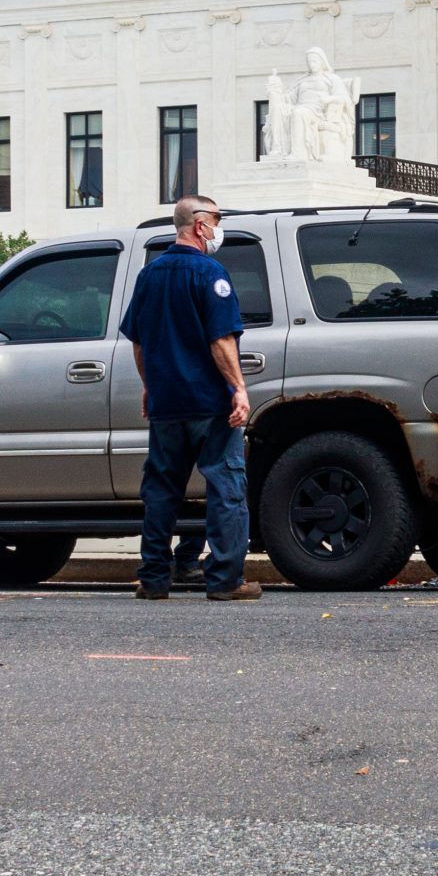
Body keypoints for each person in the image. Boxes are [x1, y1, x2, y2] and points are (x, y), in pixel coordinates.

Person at [120, 194, 260, 599]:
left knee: (161, 489)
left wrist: (150, 386)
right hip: (208, 403)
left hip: (167, 405)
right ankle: (225, 580)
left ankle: (153, 579)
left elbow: (140, 343)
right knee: (226, 487)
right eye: (216, 219)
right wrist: (238, 388)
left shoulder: (149, 275)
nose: (219, 228)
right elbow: (220, 339)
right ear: (199, 225)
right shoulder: (210, 274)